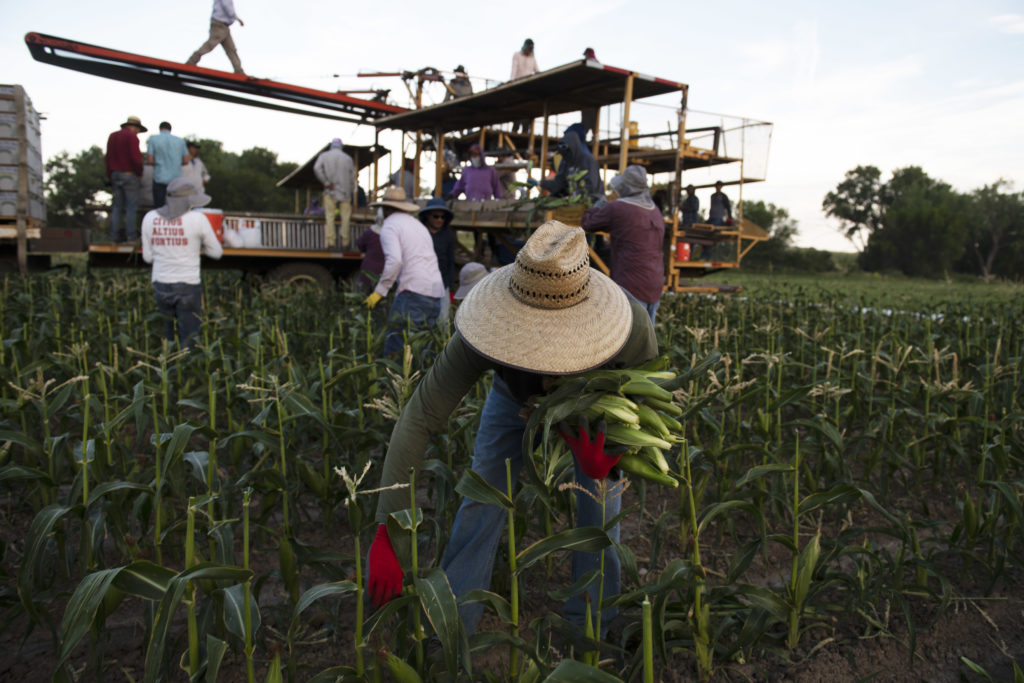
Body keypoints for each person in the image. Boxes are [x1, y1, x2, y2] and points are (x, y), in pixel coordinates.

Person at [365, 221, 659, 641]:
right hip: (511, 396)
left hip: (588, 404)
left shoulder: (629, 325)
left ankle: (591, 627)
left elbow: (645, 407)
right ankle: (451, 628)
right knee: (481, 494)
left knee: (600, 505)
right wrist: (386, 526)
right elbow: (422, 414)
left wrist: (614, 453)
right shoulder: (480, 327)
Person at [140, 177, 223, 348]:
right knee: (189, 339)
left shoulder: (149, 218)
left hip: (160, 284)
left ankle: (168, 370)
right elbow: (216, 253)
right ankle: (187, 371)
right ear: (188, 201)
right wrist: (195, 247)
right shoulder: (198, 219)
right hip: (188, 285)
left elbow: (147, 258)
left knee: (167, 338)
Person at [363, 188, 446, 356]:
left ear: (385, 209)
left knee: (397, 343)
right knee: (424, 348)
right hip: (436, 292)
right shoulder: (417, 225)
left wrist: (379, 292)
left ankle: (393, 381)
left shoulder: (390, 227)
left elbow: (395, 261)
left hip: (413, 292)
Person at [581, 165, 665, 325]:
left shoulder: (618, 208)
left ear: (625, 186)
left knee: (628, 339)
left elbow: (587, 223)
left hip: (631, 284)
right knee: (647, 340)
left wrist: (597, 206)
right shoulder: (654, 210)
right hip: (654, 282)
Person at [105, 115, 147, 242]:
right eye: (138, 130)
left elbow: (108, 157)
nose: (138, 132)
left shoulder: (113, 136)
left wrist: (110, 174)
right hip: (129, 174)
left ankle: (113, 237)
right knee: (131, 207)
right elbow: (136, 158)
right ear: (134, 127)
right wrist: (140, 172)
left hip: (115, 174)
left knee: (117, 207)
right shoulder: (132, 137)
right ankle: (131, 236)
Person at [540, 126, 604, 205]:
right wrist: (546, 184)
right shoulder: (566, 162)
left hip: (593, 203)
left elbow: (590, 187)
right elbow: (560, 183)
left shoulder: (587, 160)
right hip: (574, 203)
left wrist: (573, 197)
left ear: (572, 149)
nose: (565, 157)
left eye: (566, 154)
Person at [313, 138, 355, 249]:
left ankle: (331, 242)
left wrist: (326, 182)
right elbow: (352, 177)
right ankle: (345, 242)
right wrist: (350, 191)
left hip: (330, 190)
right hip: (345, 192)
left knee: (330, 216)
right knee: (345, 217)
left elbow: (317, 168)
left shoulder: (324, 156)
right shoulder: (348, 158)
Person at [186, 0, 246, 74]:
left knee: (231, 49)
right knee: (210, 45)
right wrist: (237, 18)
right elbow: (227, 6)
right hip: (219, 25)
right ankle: (191, 61)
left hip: (224, 26)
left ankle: (239, 71)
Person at [146, 122, 189, 209]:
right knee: (175, 207)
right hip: (176, 178)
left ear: (160, 129)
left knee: (159, 208)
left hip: (159, 177)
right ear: (170, 129)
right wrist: (175, 163)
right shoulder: (180, 141)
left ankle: (160, 222)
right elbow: (186, 160)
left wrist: (159, 162)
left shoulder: (153, 139)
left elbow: (150, 160)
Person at [418, 197, 456, 295]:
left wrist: (450, 287)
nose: (439, 220)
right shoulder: (420, 233)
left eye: (442, 217)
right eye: (436, 216)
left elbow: (451, 261)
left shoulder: (448, 235)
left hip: (442, 283)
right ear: (427, 215)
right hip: (421, 283)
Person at [510, 39, 539, 133]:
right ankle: (515, 130)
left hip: (529, 88)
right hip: (518, 87)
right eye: (528, 48)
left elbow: (537, 71)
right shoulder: (517, 55)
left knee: (527, 112)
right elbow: (514, 69)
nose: (529, 50)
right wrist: (512, 82)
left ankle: (525, 132)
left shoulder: (532, 58)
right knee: (517, 111)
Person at [355, 215, 386, 293]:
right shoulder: (393, 234)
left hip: (368, 273)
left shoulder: (370, 232)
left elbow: (360, 244)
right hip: (385, 276)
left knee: (360, 298)